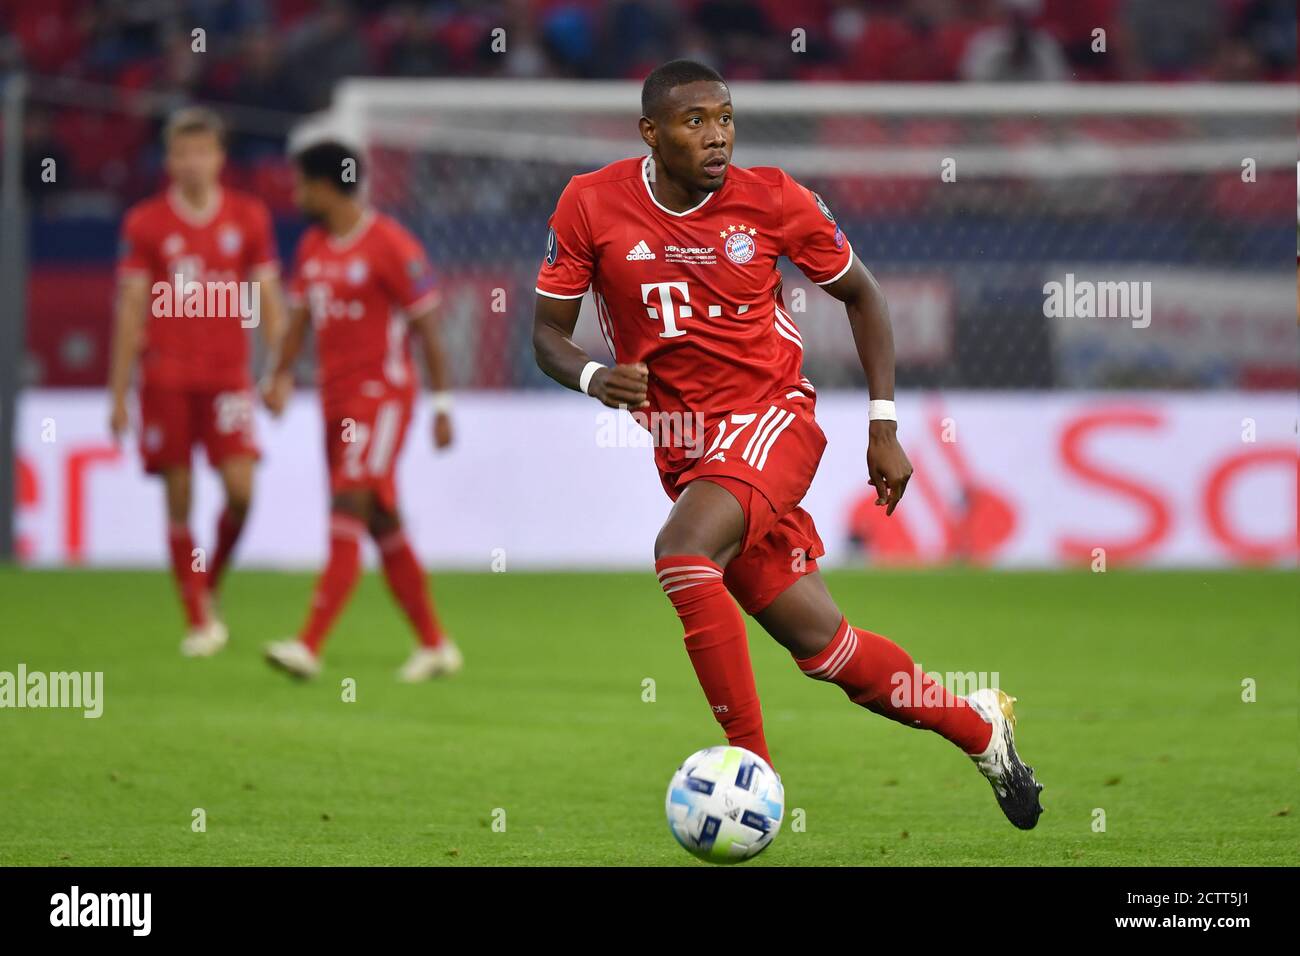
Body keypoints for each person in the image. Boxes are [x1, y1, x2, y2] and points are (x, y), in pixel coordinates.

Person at [532, 60, 1042, 828]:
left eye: (725, 117)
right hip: (688, 453)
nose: (717, 136)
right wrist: (593, 376)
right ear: (650, 134)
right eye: (694, 121)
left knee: (682, 554)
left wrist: (883, 424)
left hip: (774, 420)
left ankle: (751, 773)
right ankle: (981, 730)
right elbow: (546, 335)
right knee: (829, 653)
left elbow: (863, 295)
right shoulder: (589, 204)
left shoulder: (772, 198)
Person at [261, 141, 461, 683]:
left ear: (327, 186)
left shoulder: (390, 244)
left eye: (303, 184)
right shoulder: (312, 246)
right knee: (381, 521)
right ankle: (436, 645)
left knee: (349, 504)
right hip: (334, 399)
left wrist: (442, 405)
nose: (297, 195)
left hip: (383, 397)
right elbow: (300, 320)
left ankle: (308, 645)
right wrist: (277, 376)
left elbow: (428, 329)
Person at [109, 107, 285, 657]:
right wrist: (118, 394)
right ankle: (197, 618)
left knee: (240, 493)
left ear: (219, 158)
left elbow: (269, 302)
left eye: (202, 152)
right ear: (169, 161)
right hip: (166, 378)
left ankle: (207, 589)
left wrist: (277, 370)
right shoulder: (146, 223)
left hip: (229, 379)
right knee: (179, 496)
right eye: (182, 153)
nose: (192, 163)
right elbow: (131, 309)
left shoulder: (249, 217)